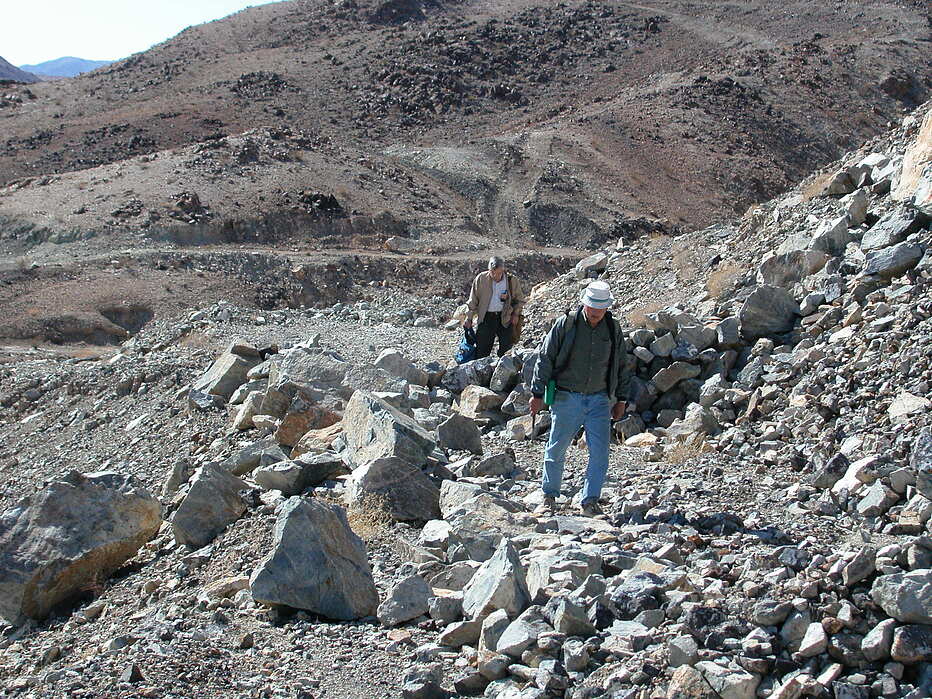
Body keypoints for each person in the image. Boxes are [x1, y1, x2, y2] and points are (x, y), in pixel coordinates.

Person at [529, 280, 629, 516]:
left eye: (599, 311)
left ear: (607, 308)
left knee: (601, 452)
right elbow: (546, 357)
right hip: (566, 397)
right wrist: (536, 393)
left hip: (599, 400)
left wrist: (621, 399)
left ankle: (590, 501)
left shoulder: (613, 330)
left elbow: (622, 365)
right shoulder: (567, 324)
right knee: (556, 448)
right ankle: (549, 496)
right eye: (591, 309)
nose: (594, 314)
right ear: (584, 304)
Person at [464, 256, 525, 359]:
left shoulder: (511, 281)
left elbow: (519, 299)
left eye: (500, 273)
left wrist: (516, 314)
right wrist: (469, 318)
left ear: (503, 270)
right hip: (486, 318)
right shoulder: (481, 279)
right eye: (493, 273)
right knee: (482, 351)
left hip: (505, 318)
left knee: (506, 351)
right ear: (489, 270)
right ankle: (482, 373)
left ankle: (504, 372)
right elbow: (473, 300)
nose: (497, 276)